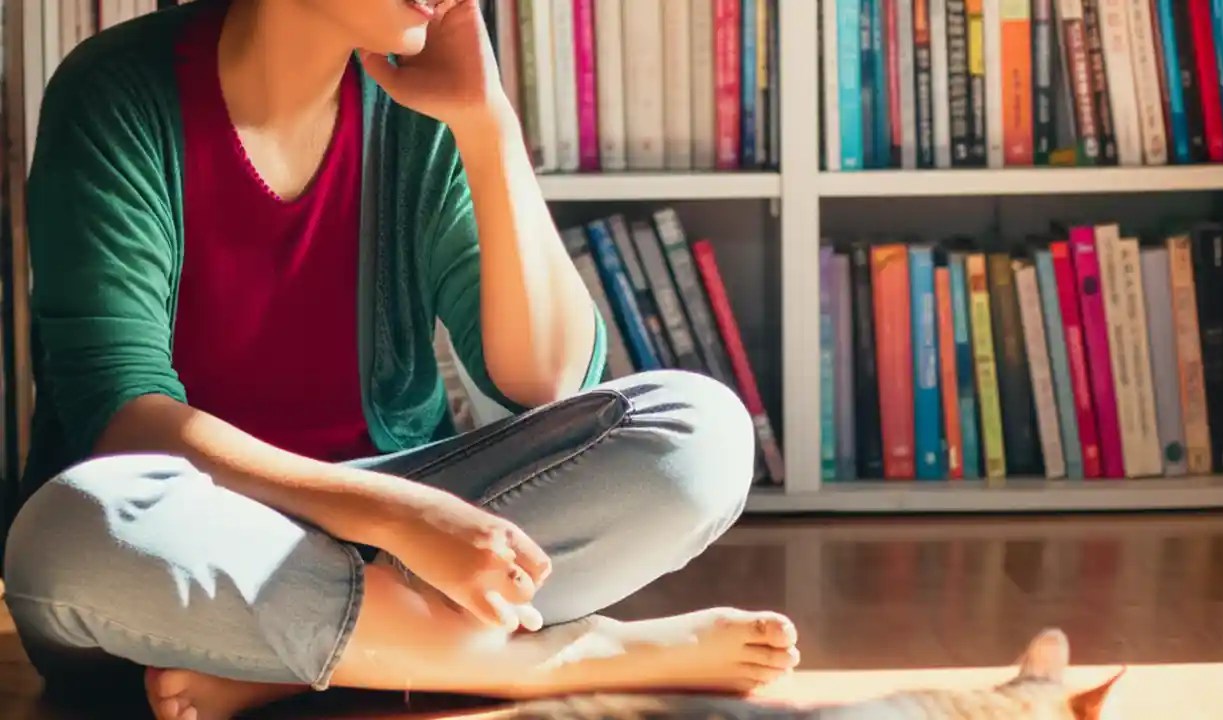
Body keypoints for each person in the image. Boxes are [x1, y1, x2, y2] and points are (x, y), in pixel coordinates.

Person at [0, 1, 799, 718]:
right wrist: (394, 516)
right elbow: (128, 419)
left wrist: (486, 126)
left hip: (384, 541)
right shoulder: (115, 94)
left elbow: (546, 381)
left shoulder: (416, 110)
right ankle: (545, 665)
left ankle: (309, 660)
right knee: (70, 531)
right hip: (194, 542)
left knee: (701, 432)